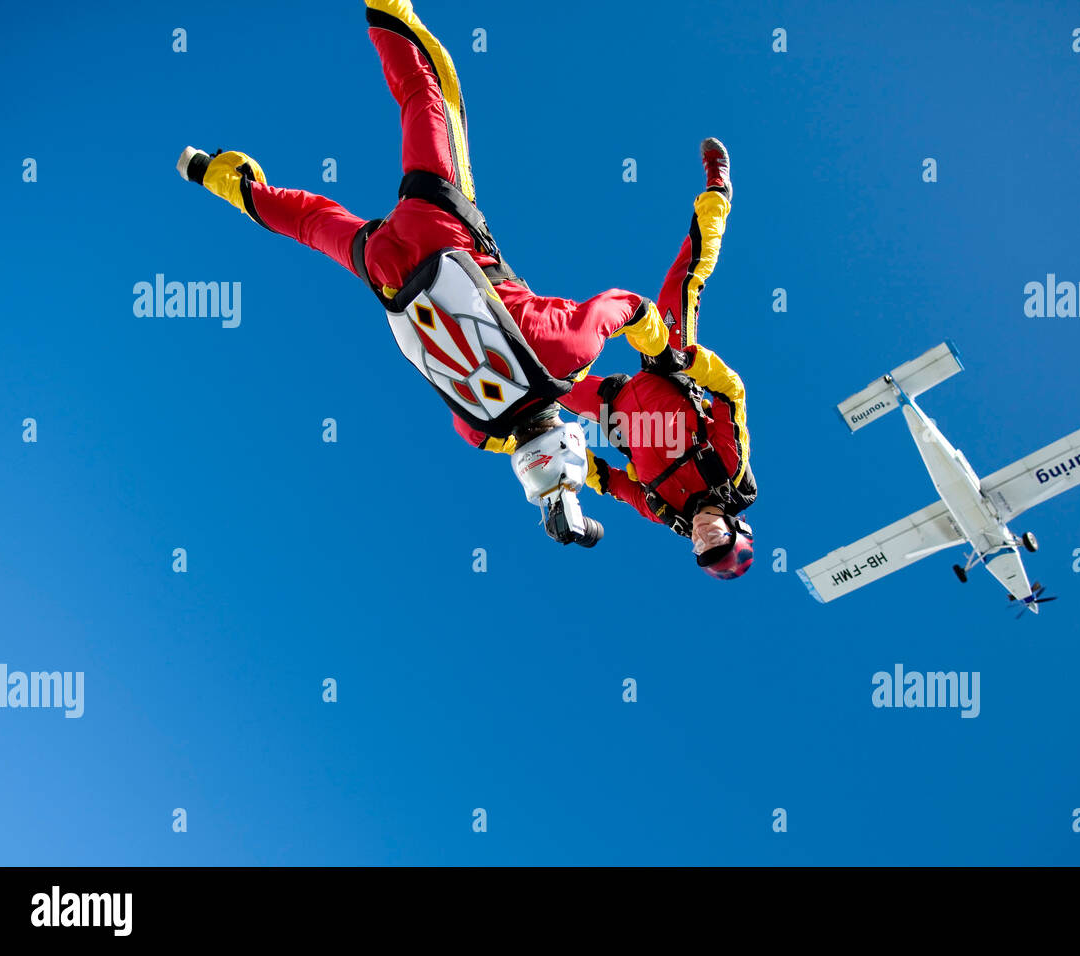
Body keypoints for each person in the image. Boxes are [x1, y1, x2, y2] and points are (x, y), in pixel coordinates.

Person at [176, 0, 671, 543]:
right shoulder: (476, 428)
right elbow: (495, 437)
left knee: (431, 91)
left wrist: (660, 348)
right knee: (311, 223)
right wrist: (562, 491)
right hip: (388, 276)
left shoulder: (568, 354)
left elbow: (627, 305)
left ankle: (383, 7)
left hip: (443, 234)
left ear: (570, 436)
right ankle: (218, 177)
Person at [564, 139, 757, 580]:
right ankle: (717, 191)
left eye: (703, 553)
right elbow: (731, 392)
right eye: (719, 545)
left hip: (612, 407)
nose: (705, 542)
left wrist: (572, 462)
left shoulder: (662, 511)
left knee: (539, 378)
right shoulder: (728, 473)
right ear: (736, 529)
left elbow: (613, 484)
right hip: (667, 368)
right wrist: (686, 362)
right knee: (682, 280)